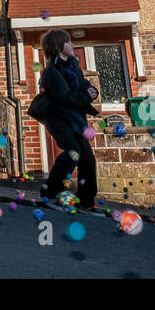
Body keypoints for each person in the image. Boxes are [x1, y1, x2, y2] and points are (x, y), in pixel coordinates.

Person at [33, 29, 101, 209]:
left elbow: (83, 85)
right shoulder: (52, 72)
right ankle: (50, 193)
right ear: (58, 46)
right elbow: (66, 98)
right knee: (73, 153)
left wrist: (92, 91)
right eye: (68, 42)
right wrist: (86, 95)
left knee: (87, 158)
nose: (72, 45)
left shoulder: (73, 65)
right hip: (60, 119)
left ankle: (86, 202)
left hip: (76, 119)